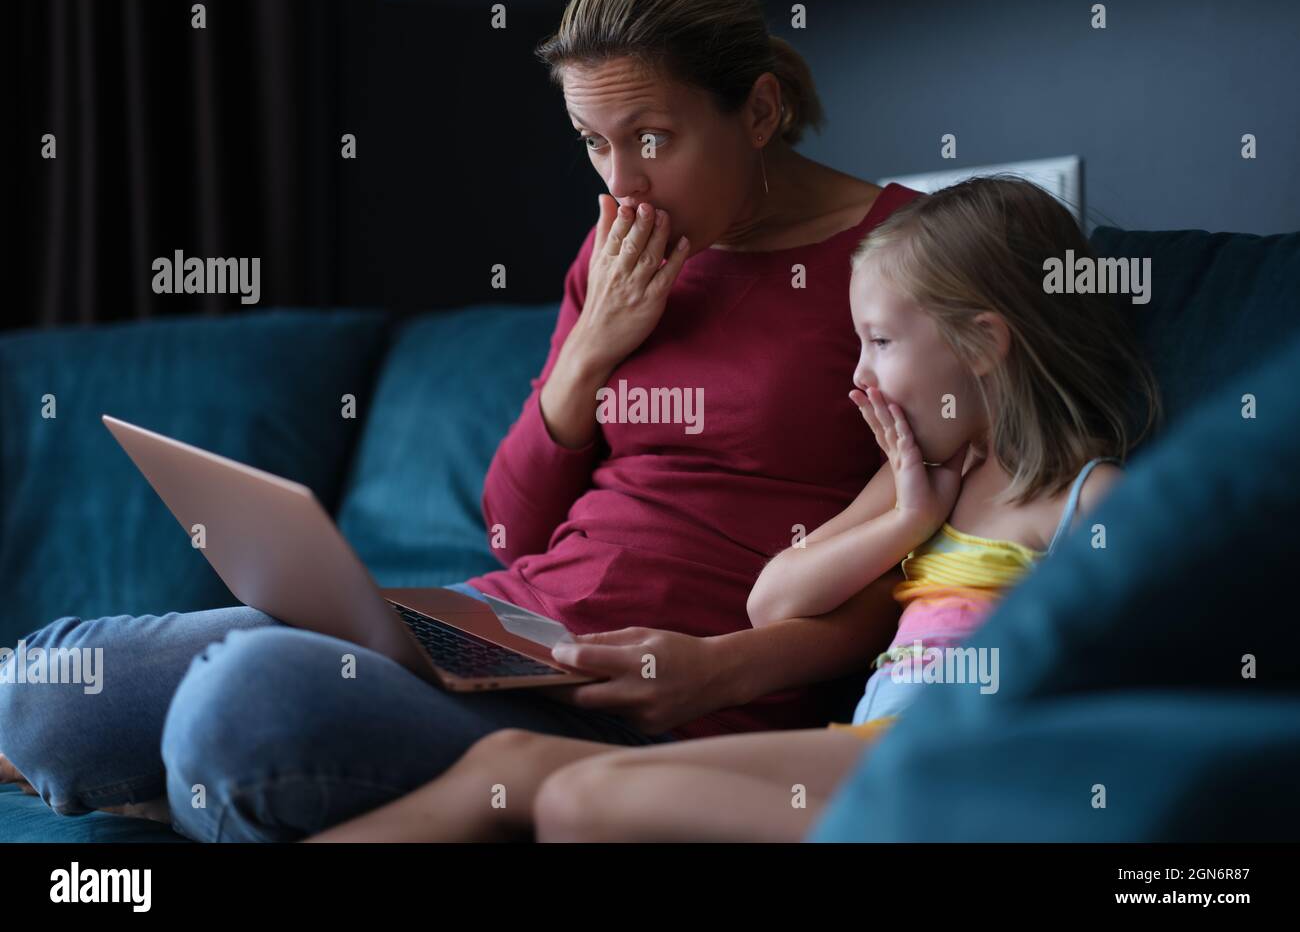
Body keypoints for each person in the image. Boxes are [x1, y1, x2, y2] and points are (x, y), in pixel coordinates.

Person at [0, 0, 924, 841]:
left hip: (668, 706)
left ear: (759, 110)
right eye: (594, 144)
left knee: (242, 702)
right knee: (51, 688)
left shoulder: (907, 260)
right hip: (500, 629)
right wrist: (593, 346)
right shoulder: (615, 257)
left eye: (649, 139)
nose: (623, 186)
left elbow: (946, 549)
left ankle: (215, 779)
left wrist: (721, 668)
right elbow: (511, 531)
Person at [304, 176, 1161, 842]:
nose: (857, 375)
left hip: (955, 776)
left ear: (984, 341)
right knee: (512, 760)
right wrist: (904, 518)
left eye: (882, 342)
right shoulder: (929, 480)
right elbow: (771, 601)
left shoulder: (1092, 502)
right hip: (869, 755)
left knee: (581, 800)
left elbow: (1148, 681)